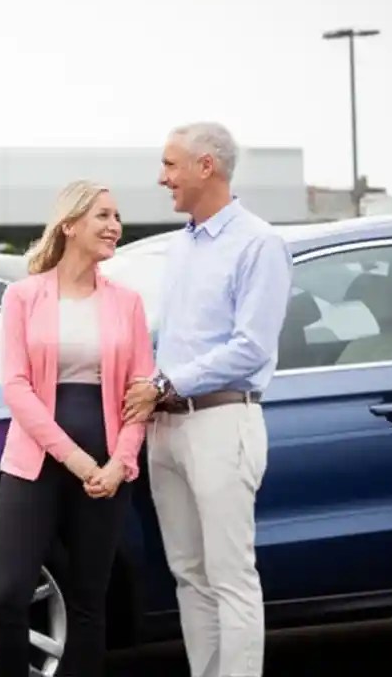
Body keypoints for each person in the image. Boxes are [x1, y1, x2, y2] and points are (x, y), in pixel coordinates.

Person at [123, 122, 292, 677]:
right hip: (167, 429)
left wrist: (166, 386)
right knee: (189, 575)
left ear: (206, 167)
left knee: (230, 576)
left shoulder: (258, 243)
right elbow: (168, 340)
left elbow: (251, 348)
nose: (162, 177)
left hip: (222, 423)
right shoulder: (182, 246)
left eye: (171, 165)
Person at [0, 179, 156, 677]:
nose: (114, 226)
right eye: (103, 216)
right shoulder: (23, 296)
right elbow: (17, 386)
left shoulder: (128, 302)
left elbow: (140, 390)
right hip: (35, 460)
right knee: (9, 595)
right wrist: (77, 459)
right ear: (70, 226)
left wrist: (120, 463)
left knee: (88, 601)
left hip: (106, 469)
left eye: (117, 216)